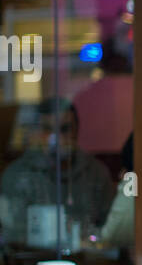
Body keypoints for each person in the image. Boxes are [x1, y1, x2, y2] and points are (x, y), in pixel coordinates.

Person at [0, 98, 115, 245]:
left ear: (76, 130)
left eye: (65, 129)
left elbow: (111, 229)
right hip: (36, 263)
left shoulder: (96, 173)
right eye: (48, 129)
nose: (57, 138)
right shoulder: (18, 176)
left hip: (93, 262)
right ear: (37, 133)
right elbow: (15, 237)